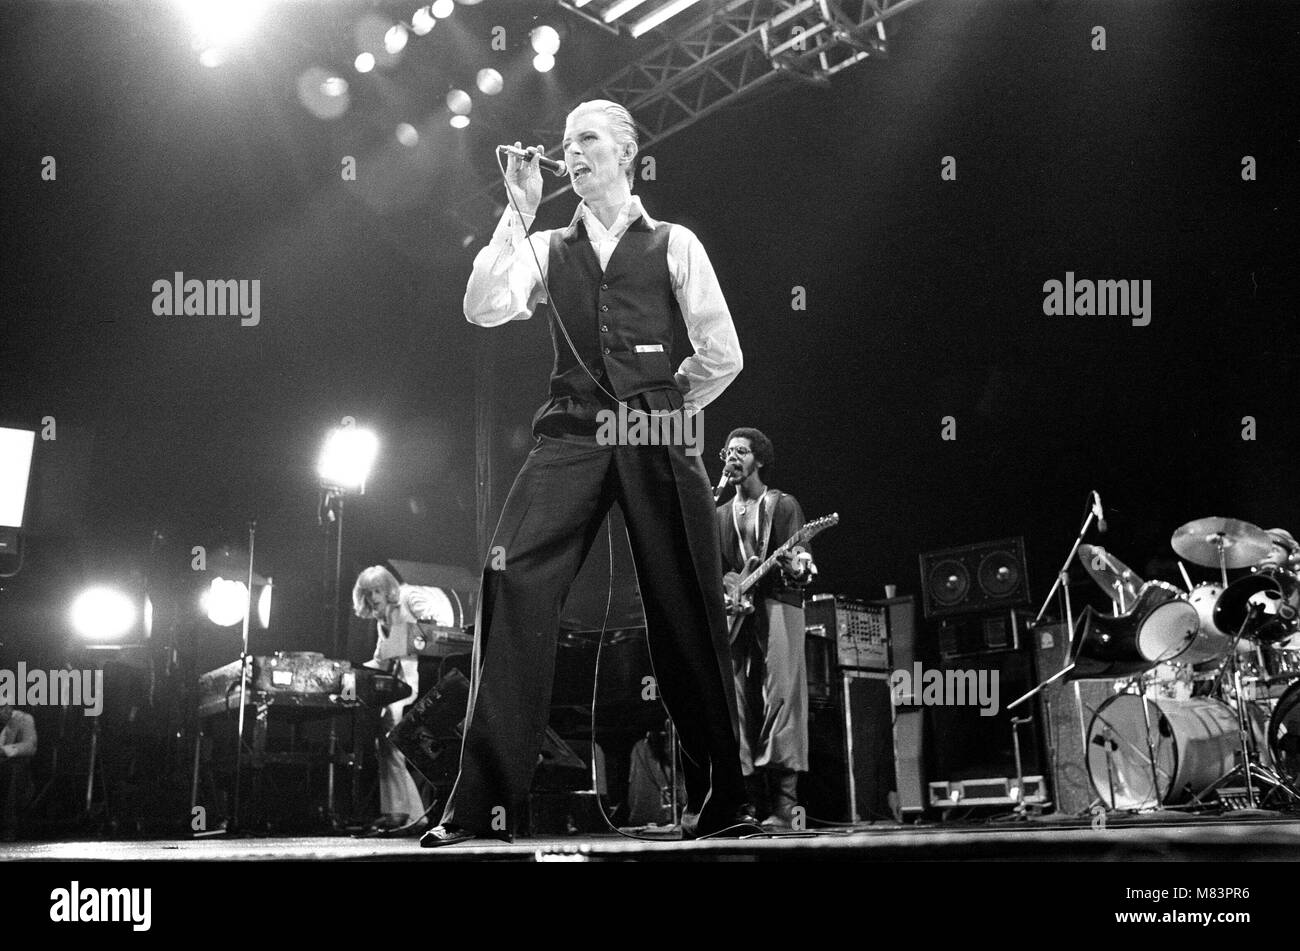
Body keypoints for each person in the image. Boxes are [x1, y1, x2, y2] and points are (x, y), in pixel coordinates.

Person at [422, 99, 753, 846]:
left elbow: (722, 352)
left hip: (655, 422)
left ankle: (726, 794)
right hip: (570, 428)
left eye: (588, 138)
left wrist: (661, 400)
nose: (571, 152)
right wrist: (516, 210)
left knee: (687, 602)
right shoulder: (545, 245)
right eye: (565, 142)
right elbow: (481, 307)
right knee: (510, 576)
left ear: (627, 151)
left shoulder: (674, 242)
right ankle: (482, 802)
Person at [717, 428, 815, 829]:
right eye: (729, 451)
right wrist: (726, 589)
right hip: (735, 611)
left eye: (741, 451)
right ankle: (747, 805)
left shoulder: (783, 504)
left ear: (759, 458)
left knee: (782, 696)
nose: (733, 457)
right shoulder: (719, 513)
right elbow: (716, 567)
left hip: (778, 601)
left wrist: (800, 565)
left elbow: (801, 554)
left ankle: (786, 807)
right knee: (735, 700)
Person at [353, 565, 452, 833]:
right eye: (369, 592)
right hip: (395, 689)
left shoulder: (408, 597)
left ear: (388, 590)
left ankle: (407, 813)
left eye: (378, 591)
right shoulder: (381, 621)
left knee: (391, 742)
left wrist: (417, 632)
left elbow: (438, 620)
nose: (374, 597)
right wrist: (349, 670)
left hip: (419, 682)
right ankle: (401, 812)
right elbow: (381, 659)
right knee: (385, 745)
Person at [0, 703, 37, 841]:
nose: (5, 711)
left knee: (13, 769)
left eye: (5, 707)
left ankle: (8, 827)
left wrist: (4, 750)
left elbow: (30, 746)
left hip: (14, 771)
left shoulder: (23, 719)